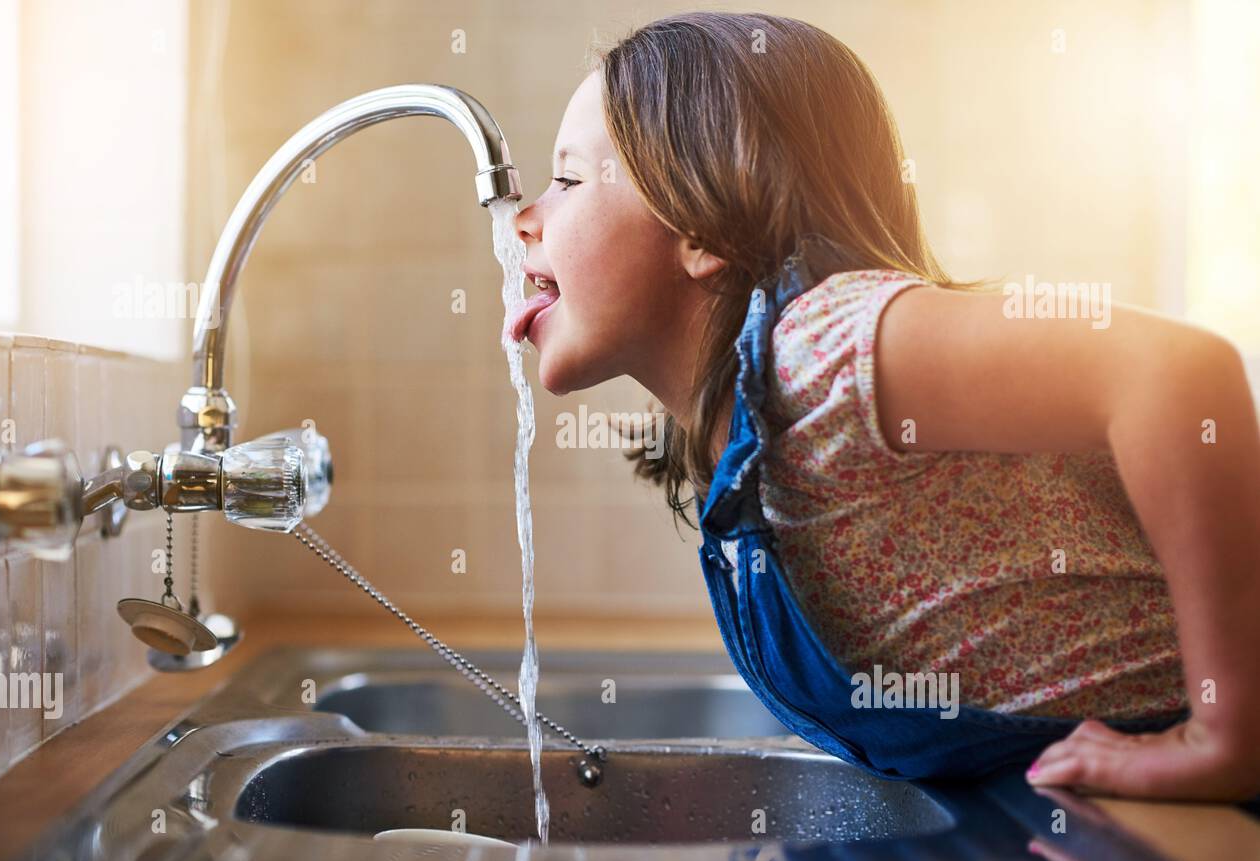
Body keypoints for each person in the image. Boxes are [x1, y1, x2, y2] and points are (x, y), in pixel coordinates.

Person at [506, 11, 1260, 802]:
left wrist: (1226, 732)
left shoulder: (827, 347)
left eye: (567, 179)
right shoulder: (746, 442)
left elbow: (1176, 372)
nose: (526, 216)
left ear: (700, 224)